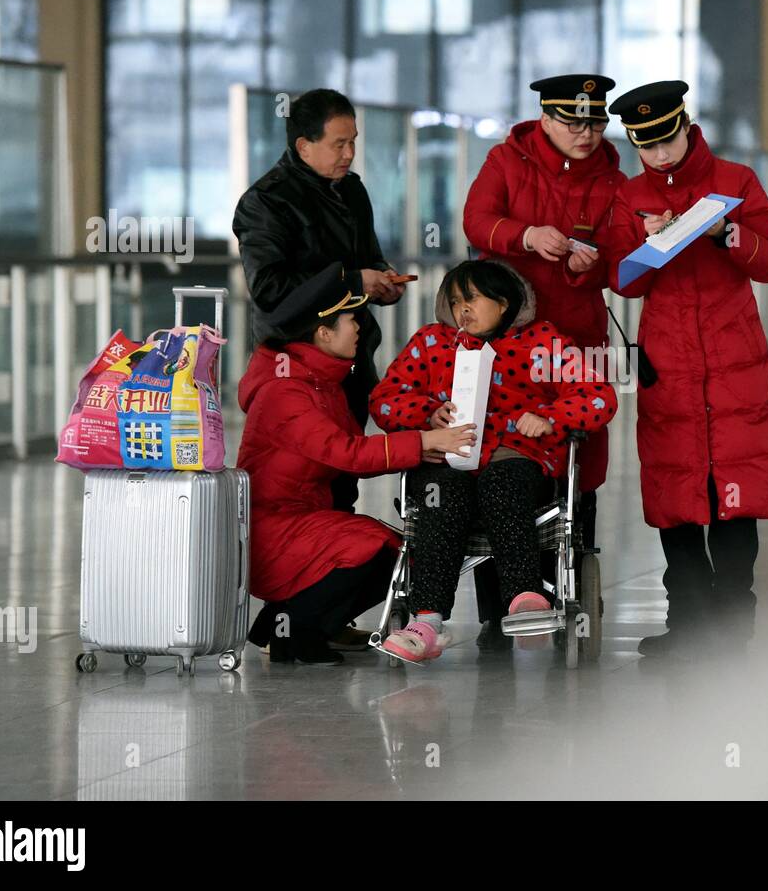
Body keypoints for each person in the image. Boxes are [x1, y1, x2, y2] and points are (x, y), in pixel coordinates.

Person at [597, 80, 768, 658]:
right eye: (646, 147)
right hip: (669, 363)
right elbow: (621, 280)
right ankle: (687, 626)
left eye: (667, 141)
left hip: (735, 361)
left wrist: (725, 232)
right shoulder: (630, 196)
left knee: (735, 495)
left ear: (687, 125)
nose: (659, 156)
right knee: (676, 492)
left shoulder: (735, 181)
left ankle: (733, 628)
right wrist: (649, 244)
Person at [368, 259, 618, 663]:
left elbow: (598, 396)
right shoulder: (432, 343)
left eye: (472, 299)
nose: (461, 309)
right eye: (454, 302)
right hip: (449, 452)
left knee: (504, 483)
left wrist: (550, 418)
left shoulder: (542, 343)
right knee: (437, 496)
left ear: (503, 303)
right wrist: (426, 413)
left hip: (516, 451)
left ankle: (524, 599)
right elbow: (384, 399)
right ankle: (426, 621)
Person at [237, 264, 475, 665]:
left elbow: (355, 453)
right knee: (378, 553)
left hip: (296, 523)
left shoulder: (319, 385)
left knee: (393, 549)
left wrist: (424, 446)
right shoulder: (287, 392)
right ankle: (296, 631)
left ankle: (277, 626)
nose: (359, 328)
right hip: (273, 529)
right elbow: (345, 451)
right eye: (351, 319)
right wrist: (420, 442)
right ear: (323, 332)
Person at [462, 74, 626, 647]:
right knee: (495, 449)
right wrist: (525, 234)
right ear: (546, 120)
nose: (586, 134)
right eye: (573, 122)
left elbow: (623, 254)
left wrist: (595, 267)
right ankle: (498, 604)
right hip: (504, 337)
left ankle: (573, 579)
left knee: (576, 447)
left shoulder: (613, 177)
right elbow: (476, 221)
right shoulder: (506, 161)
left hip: (574, 341)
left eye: (596, 123)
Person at [234, 88, 407, 512]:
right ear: (304, 146)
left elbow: (367, 256)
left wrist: (381, 279)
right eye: (339, 144)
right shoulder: (265, 202)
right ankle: (300, 565)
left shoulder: (351, 191)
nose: (349, 154)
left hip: (349, 358)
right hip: (295, 365)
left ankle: (337, 553)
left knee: (343, 483)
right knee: (299, 476)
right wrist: (353, 281)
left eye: (354, 142)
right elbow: (271, 291)